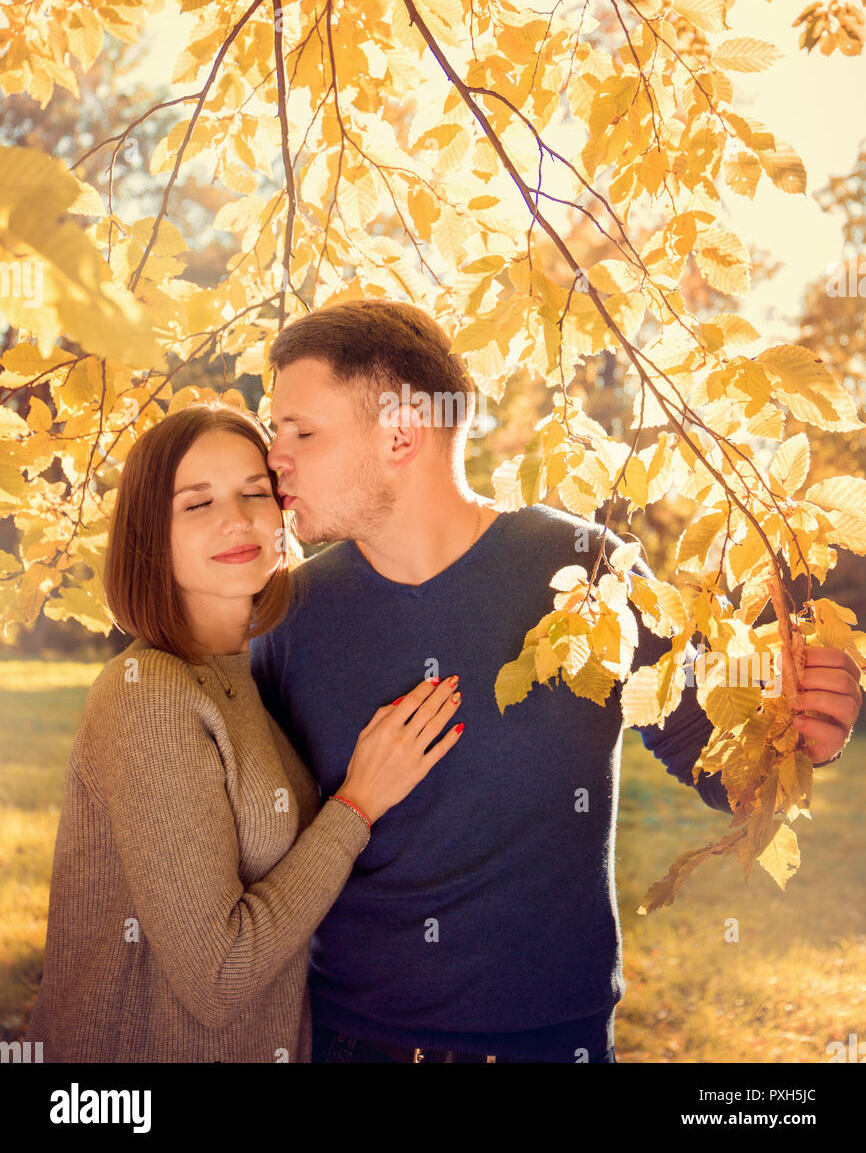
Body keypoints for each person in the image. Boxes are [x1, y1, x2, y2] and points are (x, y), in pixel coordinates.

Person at [249, 298, 863, 1065]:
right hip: (349, 1042)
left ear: (403, 433)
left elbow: (718, 764)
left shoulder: (587, 572)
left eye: (300, 432)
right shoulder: (287, 617)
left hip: (551, 1047)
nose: (275, 458)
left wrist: (804, 733)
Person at [26, 403, 464, 1062]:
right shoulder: (150, 695)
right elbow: (218, 977)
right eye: (196, 504)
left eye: (254, 493)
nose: (236, 520)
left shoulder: (245, 679)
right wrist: (358, 804)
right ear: (152, 536)